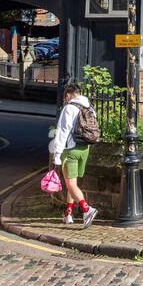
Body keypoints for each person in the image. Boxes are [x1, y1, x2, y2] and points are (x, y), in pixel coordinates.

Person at [52, 82, 98, 227]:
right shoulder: (89, 107)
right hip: (85, 148)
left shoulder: (69, 108)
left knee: (70, 184)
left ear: (68, 95)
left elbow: (62, 132)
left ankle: (87, 210)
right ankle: (68, 214)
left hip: (71, 150)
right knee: (73, 183)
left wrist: (57, 154)